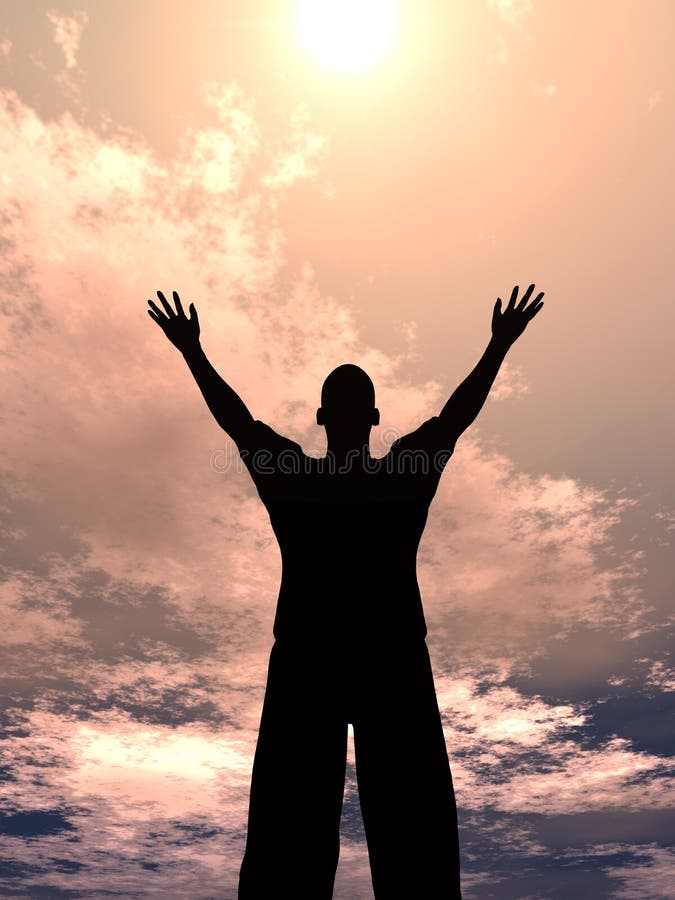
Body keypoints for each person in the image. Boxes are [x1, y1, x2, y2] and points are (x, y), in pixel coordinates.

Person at [147, 284, 544, 899]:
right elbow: (453, 419)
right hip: (350, 661)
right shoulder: (388, 476)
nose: (352, 414)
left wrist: (193, 352)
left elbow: (241, 424)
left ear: (323, 417)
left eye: (349, 403)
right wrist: (497, 347)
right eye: (351, 403)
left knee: (330, 831)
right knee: (348, 833)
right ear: (367, 419)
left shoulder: (308, 480)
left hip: (342, 661)